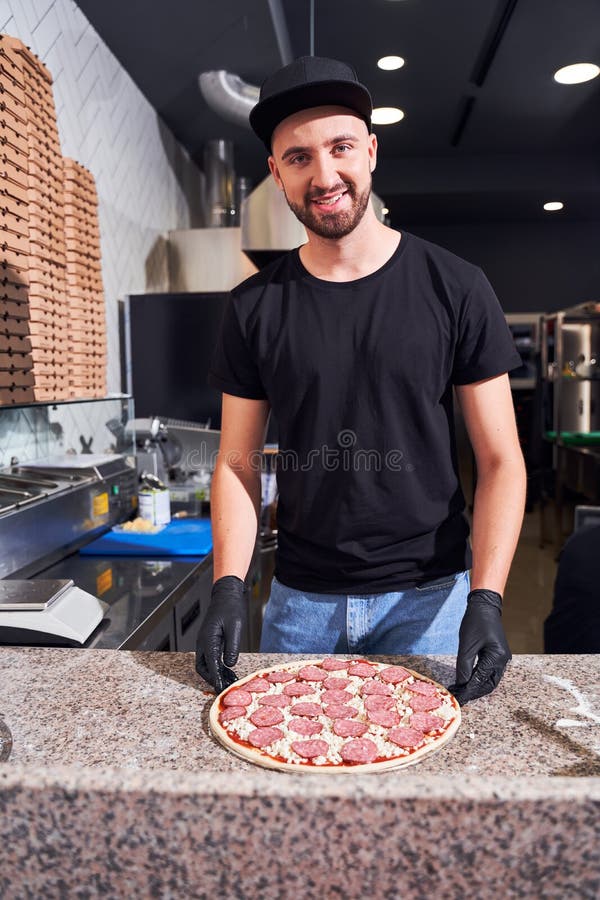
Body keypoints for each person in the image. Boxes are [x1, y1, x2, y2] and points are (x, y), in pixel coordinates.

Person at [196, 56, 526, 704]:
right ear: (275, 173)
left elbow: (501, 461)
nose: (324, 175)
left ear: (370, 151)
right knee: (292, 795)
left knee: (425, 799)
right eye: (298, 157)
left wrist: (486, 597)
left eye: (341, 147)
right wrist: (228, 584)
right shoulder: (255, 306)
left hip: (430, 601)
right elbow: (236, 463)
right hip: (298, 604)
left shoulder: (455, 287)